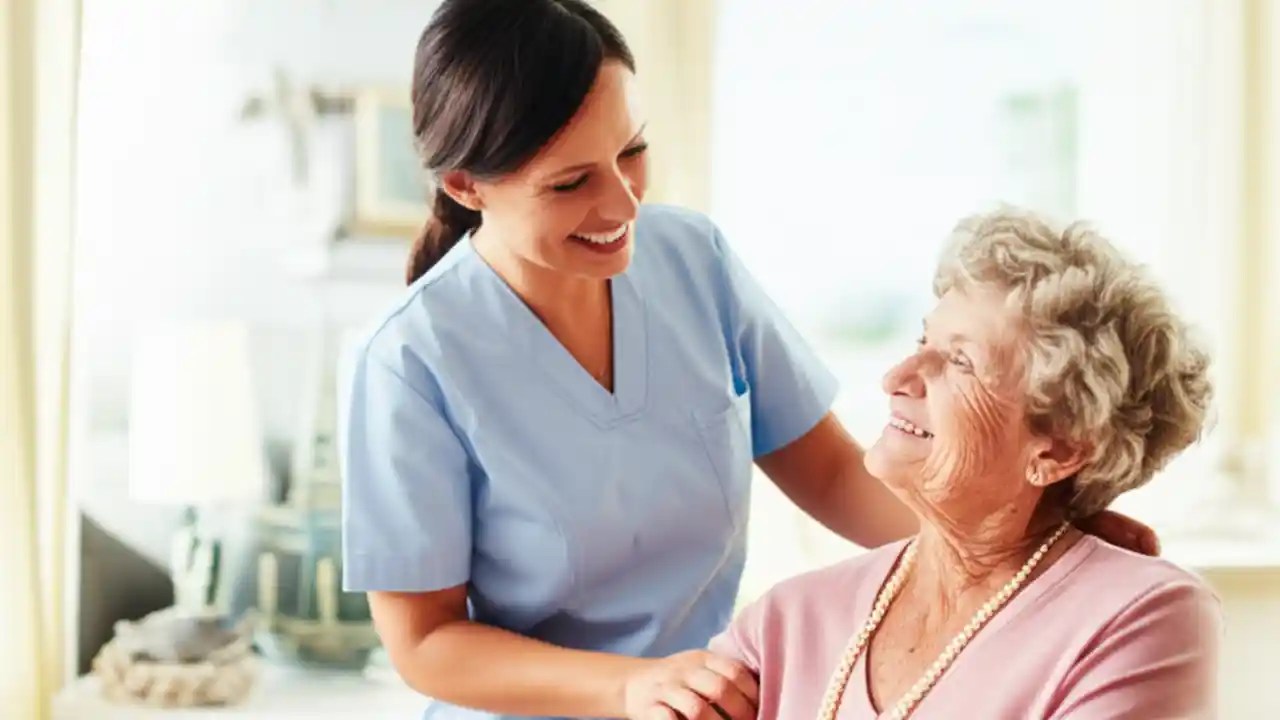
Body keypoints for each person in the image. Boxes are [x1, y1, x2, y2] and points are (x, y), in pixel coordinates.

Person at [339, 2, 1153, 719]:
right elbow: (426, 642)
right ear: (465, 185)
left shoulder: (691, 260)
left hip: (711, 703)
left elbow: (832, 474)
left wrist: (1030, 541)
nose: (623, 204)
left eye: (633, 151)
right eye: (571, 183)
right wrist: (630, 687)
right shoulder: (412, 362)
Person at [709, 208, 1222, 720]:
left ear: (1058, 451)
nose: (898, 378)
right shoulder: (787, 623)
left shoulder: (1140, 616)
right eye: (922, 342)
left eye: (960, 362)